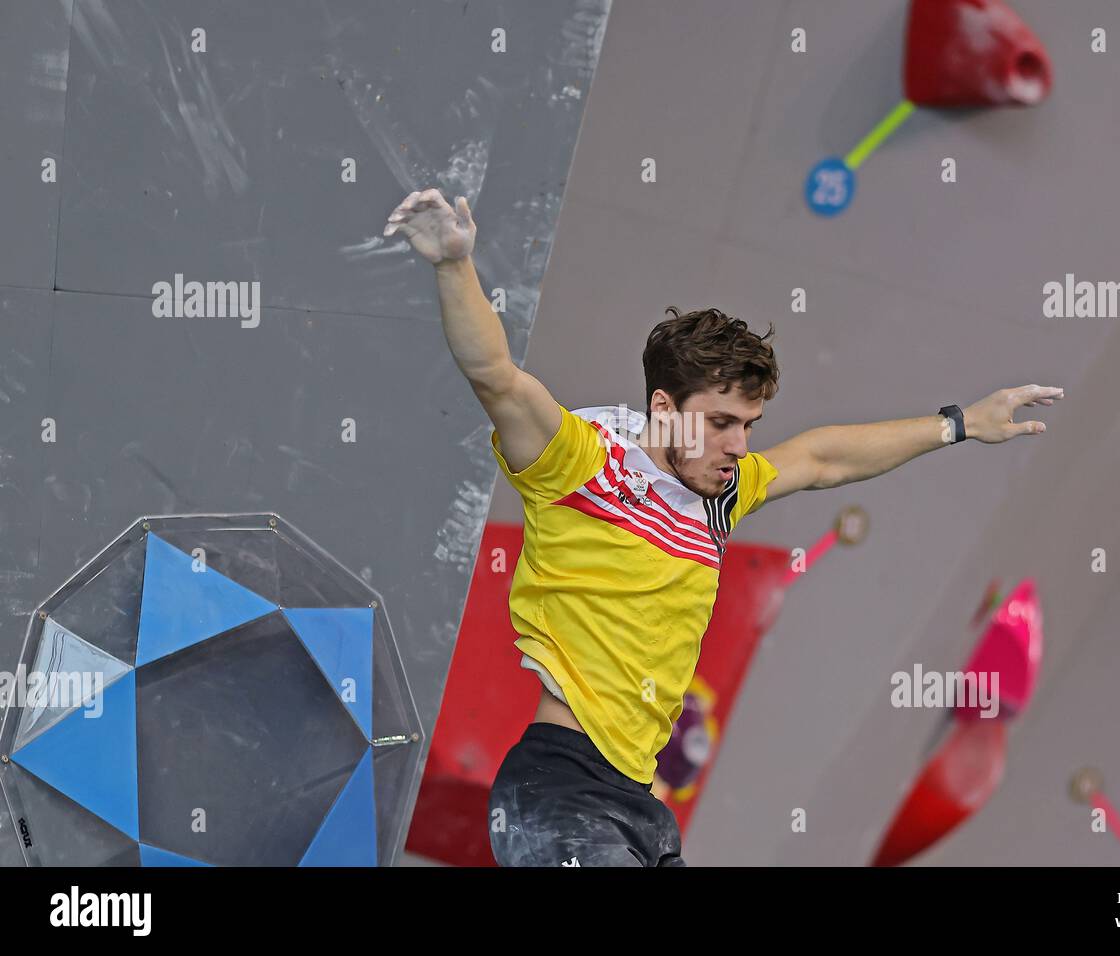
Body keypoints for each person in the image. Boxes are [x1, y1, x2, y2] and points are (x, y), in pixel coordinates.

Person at [383, 188, 1064, 866]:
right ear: (664, 406)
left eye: (749, 426)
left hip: (641, 808)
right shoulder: (581, 464)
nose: (739, 446)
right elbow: (497, 379)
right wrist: (453, 266)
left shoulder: (719, 496)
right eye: (721, 423)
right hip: (558, 791)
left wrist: (960, 424)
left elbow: (823, 457)